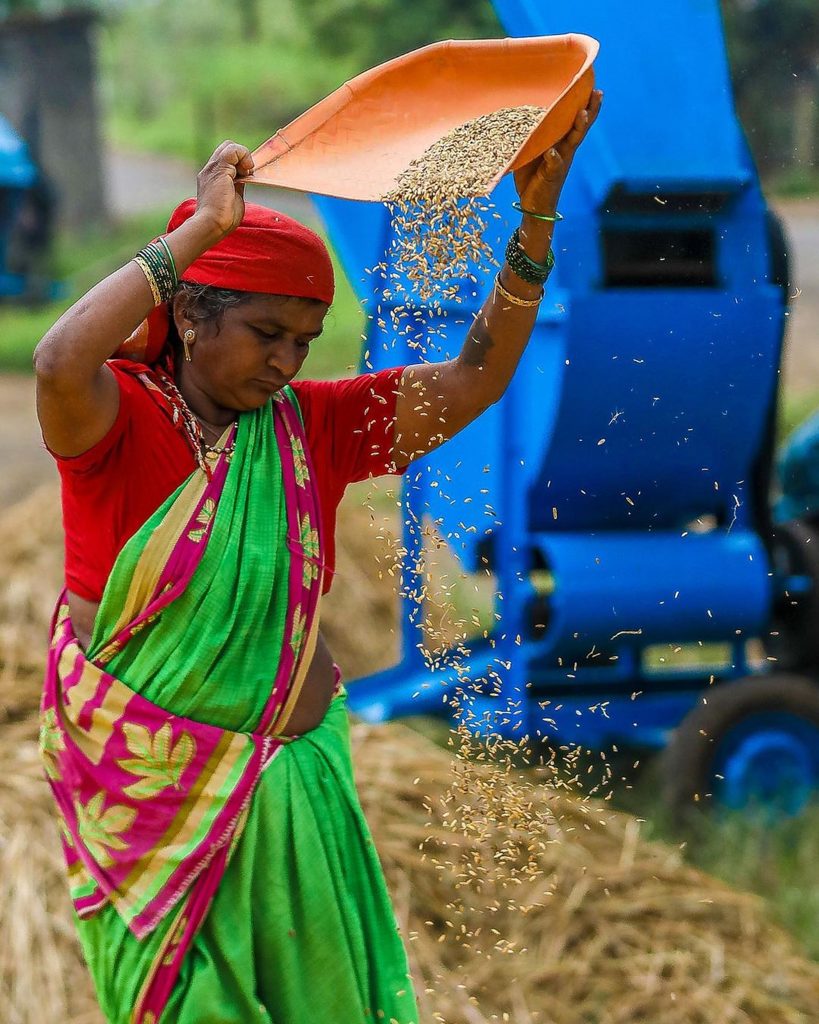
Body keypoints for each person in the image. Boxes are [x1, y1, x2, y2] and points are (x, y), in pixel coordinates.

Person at [34, 90, 601, 1024]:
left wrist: (534, 216)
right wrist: (201, 229)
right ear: (187, 311)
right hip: (157, 812)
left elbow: (475, 378)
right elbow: (57, 361)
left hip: (296, 793)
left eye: (304, 340)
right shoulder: (114, 421)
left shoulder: (312, 428)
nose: (288, 363)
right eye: (266, 334)